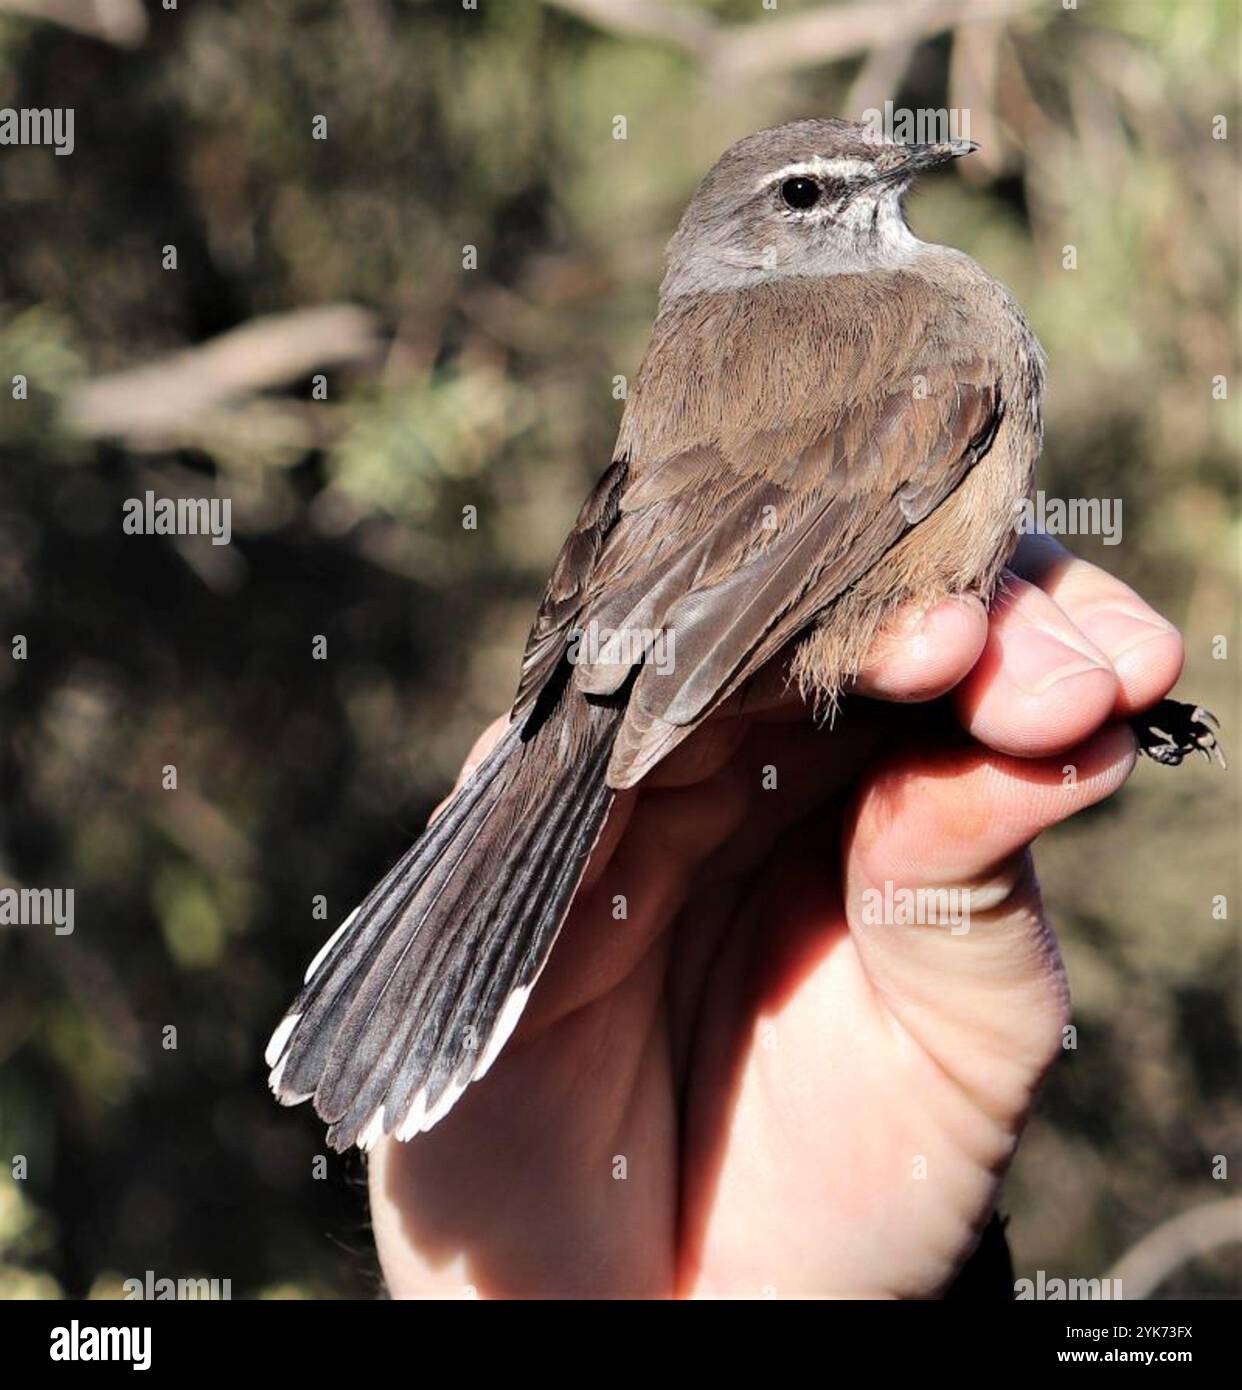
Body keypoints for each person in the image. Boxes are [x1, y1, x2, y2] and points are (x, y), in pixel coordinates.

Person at [366, 535, 1188, 1299]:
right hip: (680, 647)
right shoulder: (965, 369)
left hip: (652, 631)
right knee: (945, 645)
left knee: (949, 648)